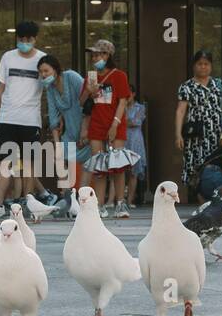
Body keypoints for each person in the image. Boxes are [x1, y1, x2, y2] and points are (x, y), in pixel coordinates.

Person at [0, 22, 45, 203]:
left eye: (28, 39)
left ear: (35, 39)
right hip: (7, 118)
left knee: (29, 164)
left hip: (31, 120)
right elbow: (0, 88)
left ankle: (28, 201)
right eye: (21, 39)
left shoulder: (42, 59)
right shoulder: (8, 57)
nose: (24, 42)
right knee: (5, 162)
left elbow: (50, 87)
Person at [82, 38, 135, 217]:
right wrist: (90, 91)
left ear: (107, 55)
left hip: (115, 124)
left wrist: (115, 124)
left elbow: (122, 102)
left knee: (117, 166)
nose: (95, 58)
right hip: (96, 125)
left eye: (98, 54)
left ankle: (120, 203)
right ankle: (99, 205)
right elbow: (81, 103)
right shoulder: (90, 76)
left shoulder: (119, 75)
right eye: (93, 55)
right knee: (99, 166)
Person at [175, 49, 222, 200]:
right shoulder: (186, 86)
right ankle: (201, 200)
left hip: (217, 132)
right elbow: (180, 111)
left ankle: (217, 198)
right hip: (196, 134)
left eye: (206, 64)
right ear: (194, 65)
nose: (203, 67)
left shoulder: (219, 84)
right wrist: (178, 134)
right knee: (196, 165)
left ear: (211, 66)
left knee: (216, 165)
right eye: (200, 64)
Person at [39, 54, 86, 193]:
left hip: (86, 126)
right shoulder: (50, 89)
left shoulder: (71, 77)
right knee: (60, 160)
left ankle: (87, 198)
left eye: (46, 71)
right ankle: (67, 197)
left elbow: (88, 101)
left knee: (89, 165)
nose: (43, 74)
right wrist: (56, 144)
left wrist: (86, 129)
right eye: (41, 72)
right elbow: (53, 118)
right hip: (70, 131)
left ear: (55, 69)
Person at [123, 85, 148, 207]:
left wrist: (122, 122)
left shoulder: (140, 107)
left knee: (134, 171)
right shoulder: (121, 107)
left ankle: (130, 200)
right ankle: (120, 200)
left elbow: (136, 122)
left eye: (128, 94)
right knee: (121, 170)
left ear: (133, 94)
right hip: (122, 139)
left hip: (135, 140)